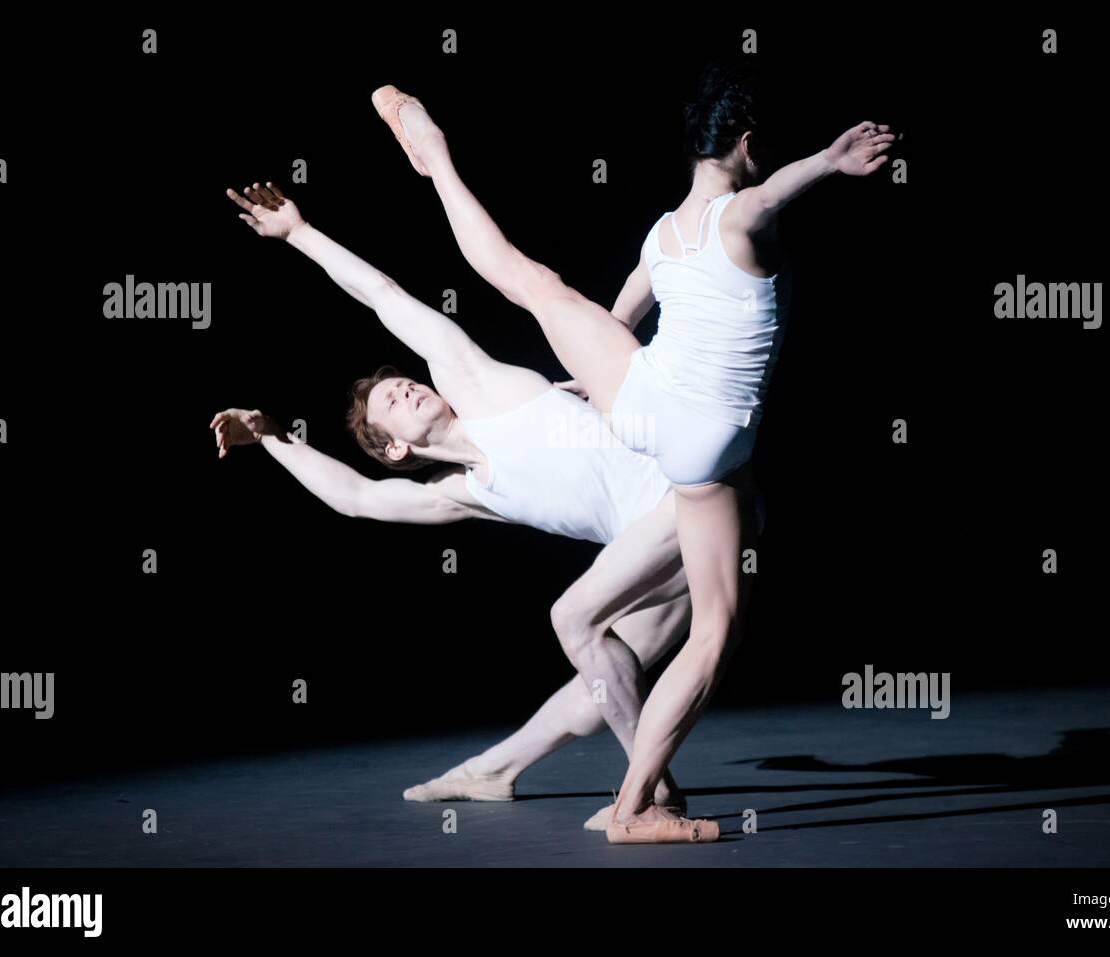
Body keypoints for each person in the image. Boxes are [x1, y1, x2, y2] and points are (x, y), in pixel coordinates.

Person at [371, 61, 896, 842]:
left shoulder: (662, 234)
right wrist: (830, 160)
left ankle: (437, 159)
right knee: (713, 634)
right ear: (747, 144)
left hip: (644, 403)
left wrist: (597, 373)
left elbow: (624, 309)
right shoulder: (743, 216)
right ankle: (634, 805)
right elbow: (770, 196)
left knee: (529, 280)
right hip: (705, 436)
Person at [216, 181, 748, 835]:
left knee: (573, 619)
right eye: (391, 402)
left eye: (403, 382)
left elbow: (384, 295)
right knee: (604, 684)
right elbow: (355, 497)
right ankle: (495, 769)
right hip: (664, 547)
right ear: (396, 447)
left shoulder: (479, 382)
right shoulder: (463, 493)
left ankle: (650, 790)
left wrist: (300, 234)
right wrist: (273, 438)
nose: (405, 389)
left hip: (692, 497)